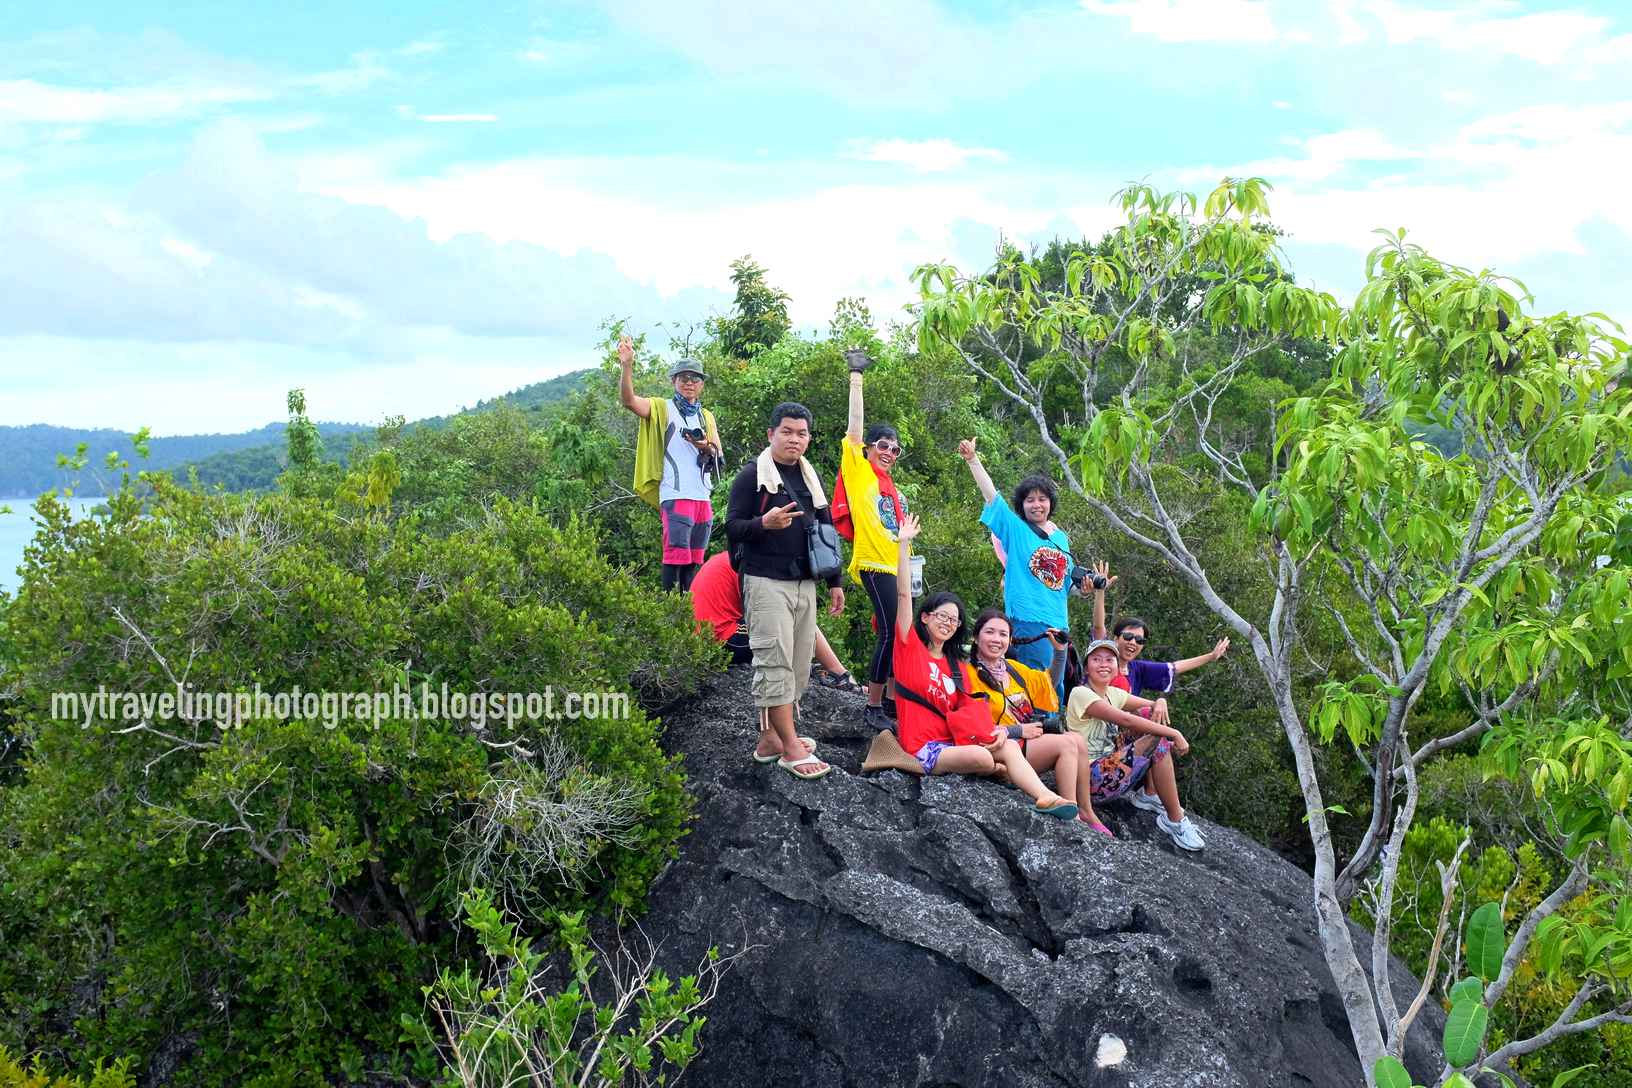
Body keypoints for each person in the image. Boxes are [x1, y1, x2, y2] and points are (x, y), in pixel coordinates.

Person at [891, 514, 1079, 821]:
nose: (947, 623)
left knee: (1002, 745)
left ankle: (1046, 797)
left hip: (955, 742)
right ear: (925, 617)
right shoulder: (909, 649)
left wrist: (997, 732)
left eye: (953, 620)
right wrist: (903, 544)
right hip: (923, 748)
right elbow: (902, 596)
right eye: (941, 616)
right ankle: (995, 769)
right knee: (982, 755)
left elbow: (971, 713)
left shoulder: (957, 667)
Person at [724, 403, 845, 780]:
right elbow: (731, 527)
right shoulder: (751, 478)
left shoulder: (810, 477)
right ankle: (790, 747)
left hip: (804, 580)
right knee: (773, 663)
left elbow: (824, 529)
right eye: (788, 431)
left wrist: (835, 582)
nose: (795, 439)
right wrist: (764, 522)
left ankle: (769, 740)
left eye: (802, 433)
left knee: (796, 664)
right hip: (764, 580)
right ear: (771, 434)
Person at [963, 609, 1112, 836]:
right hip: (999, 749)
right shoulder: (966, 674)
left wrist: (1059, 651)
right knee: (1067, 744)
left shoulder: (1013, 669)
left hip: (1024, 745)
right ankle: (1069, 812)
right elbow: (969, 728)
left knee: (1076, 739)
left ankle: (1085, 810)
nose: (997, 639)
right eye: (990, 632)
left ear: (1010, 640)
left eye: (1003, 634)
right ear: (976, 637)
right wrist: (1019, 729)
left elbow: (1047, 683)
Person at [830, 348, 909, 732]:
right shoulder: (859, 470)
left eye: (896, 448)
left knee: (901, 632)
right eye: (884, 446)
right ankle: (874, 704)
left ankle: (893, 700)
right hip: (874, 564)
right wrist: (856, 377)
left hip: (899, 564)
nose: (890, 452)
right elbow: (855, 429)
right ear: (868, 449)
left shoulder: (892, 486)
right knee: (891, 631)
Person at [1065, 639, 1206, 851]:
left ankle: (1150, 794)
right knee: (1156, 736)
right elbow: (1126, 721)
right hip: (1091, 779)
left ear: (1116, 667)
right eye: (1096, 659)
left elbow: (1150, 708)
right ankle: (1175, 820)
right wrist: (1174, 733)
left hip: (1112, 771)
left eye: (1109, 660)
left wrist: (1160, 701)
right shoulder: (1080, 693)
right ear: (1086, 667)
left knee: (1149, 715)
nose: (1103, 664)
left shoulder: (1114, 694)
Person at [957, 438, 1079, 674]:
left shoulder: (1060, 538)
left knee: (1056, 687)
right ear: (1021, 505)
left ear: (1050, 504)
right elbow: (991, 496)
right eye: (1030, 500)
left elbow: (1065, 584)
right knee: (1035, 681)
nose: (1036, 505)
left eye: (1042, 499)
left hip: (1059, 622)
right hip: (1028, 619)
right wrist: (973, 460)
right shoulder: (1016, 529)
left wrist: (1084, 589)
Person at [618, 334, 722, 592]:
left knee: (695, 559)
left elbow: (719, 455)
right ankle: (669, 614)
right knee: (675, 555)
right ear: (674, 381)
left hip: (702, 496)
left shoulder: (706, 416)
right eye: (684, 378)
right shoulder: (662, 408)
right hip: (676, 494)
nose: (689, 383)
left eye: (695, 378)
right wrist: (627, 366)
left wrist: (704, 446)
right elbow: (629, 401)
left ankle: (688, 614)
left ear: (702, 385)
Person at [689, 550, 862, 686]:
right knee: (795, 618)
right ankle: (841, 675)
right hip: (722, 638)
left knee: (789, 618)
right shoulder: (750, 565)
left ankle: (828, 672)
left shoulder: (731, 557)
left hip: (704, 641)